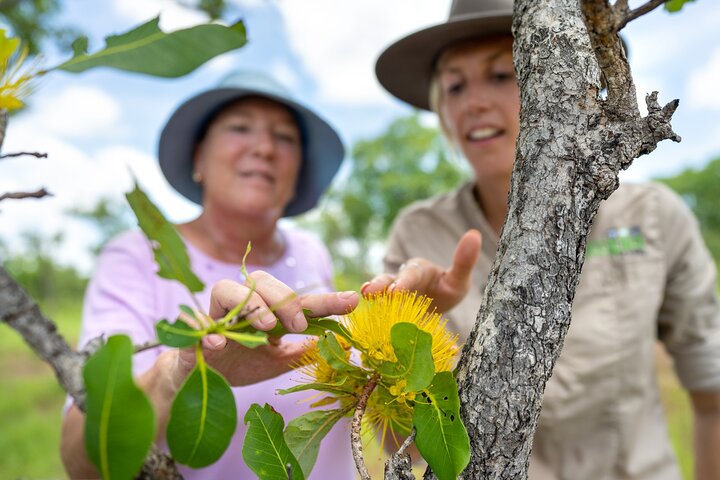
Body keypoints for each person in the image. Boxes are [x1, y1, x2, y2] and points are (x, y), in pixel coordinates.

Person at [363, 0, 720, 479]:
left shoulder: (653, 218)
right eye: (454, 85)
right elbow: (399, 443)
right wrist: (397, 361)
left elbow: (711, 387)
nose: (473, 103)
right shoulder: (421, 233)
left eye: (502, 74)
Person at [60, 70, 359, 479]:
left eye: (285, 137)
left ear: (298, 175)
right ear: (198, 157)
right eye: (240, 127)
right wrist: (179, 373)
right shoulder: (137, 257)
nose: (265, 148)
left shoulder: (312, 253)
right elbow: (82, 460)